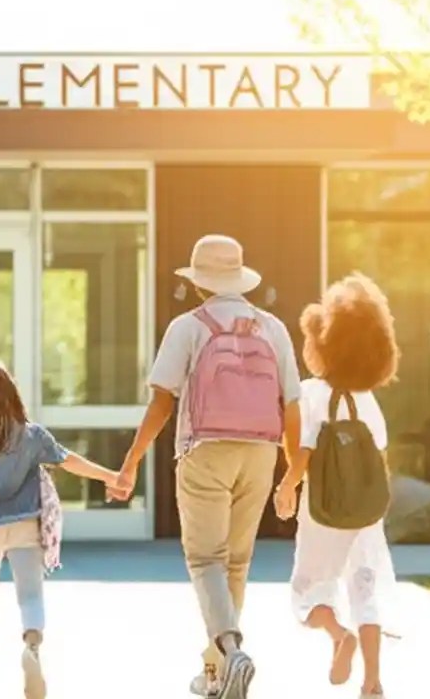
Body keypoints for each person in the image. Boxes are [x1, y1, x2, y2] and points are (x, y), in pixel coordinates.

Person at [110, 235, 302, 699]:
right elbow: (293, 406)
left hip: (205, 451)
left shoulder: (188, 327)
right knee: (236, 563)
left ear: (198, 282)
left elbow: (161, 403)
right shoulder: (272, 328)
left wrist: (130, 463)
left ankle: (232, 652)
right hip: (261, 452)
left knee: (205, 560)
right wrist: (293, 476)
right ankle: (215, 673)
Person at [0, 360, 123, 699]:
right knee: (31, 595)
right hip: (25, 524)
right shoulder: (31, 434)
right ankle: (32, 646)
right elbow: (69, 460)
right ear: (11, 395)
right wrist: (112, 477)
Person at [274, 273, 399, 699]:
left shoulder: (310, 393)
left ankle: (335, 633)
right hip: (364, 512)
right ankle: (372, 681)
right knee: (367, 591)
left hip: (322, 510)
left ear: (324, 345)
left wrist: (287, 486)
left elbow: (304, 449)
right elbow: (379, 451)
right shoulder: (367, 398)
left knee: (308, 593)